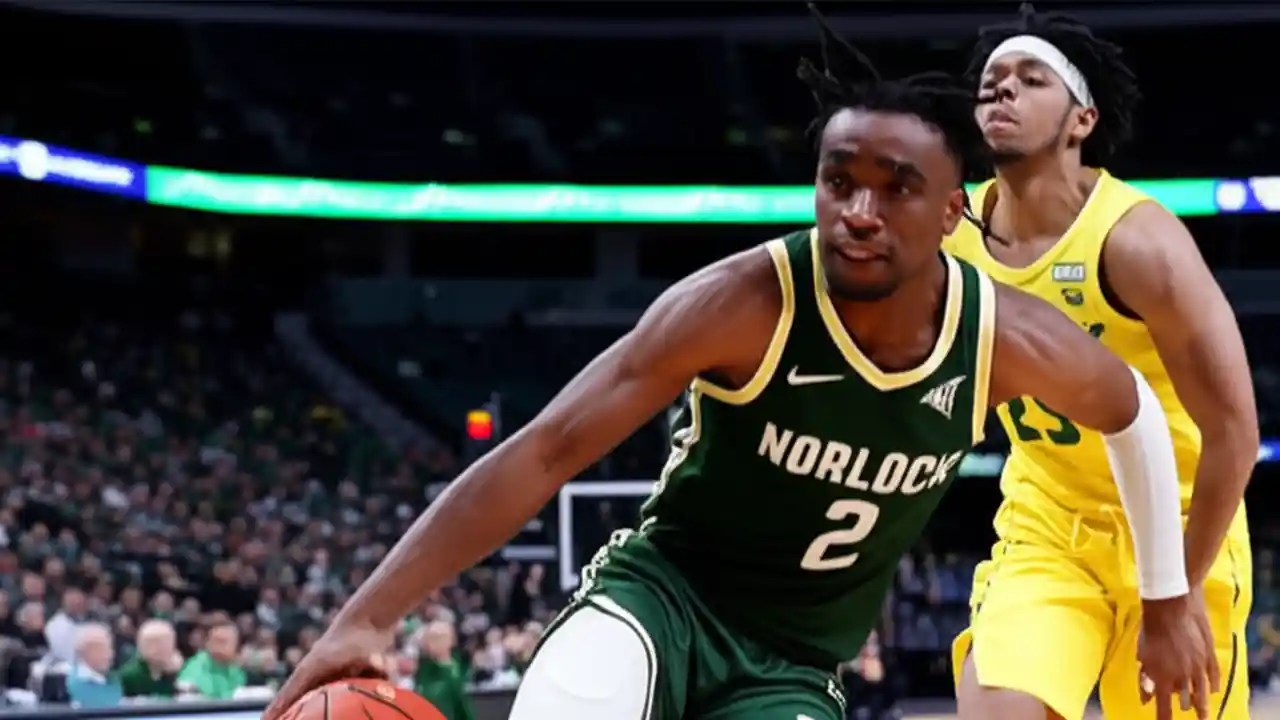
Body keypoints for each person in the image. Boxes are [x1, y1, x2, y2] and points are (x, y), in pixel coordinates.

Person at [264, 9, 1215, 720]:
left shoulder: (1002, 334)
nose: (858, 211)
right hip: (657, 602)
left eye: (896, 189)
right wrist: (369, 614)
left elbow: (1133, 413)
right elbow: (547, 451)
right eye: (839, 182)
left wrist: (1168, 598)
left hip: (795, 666)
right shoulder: (740, 303)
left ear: (953, 211)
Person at [943, 5, 1258, 720]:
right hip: (1048, 525)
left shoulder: (1138, 242)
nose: (1002, 91)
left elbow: (1235, 432)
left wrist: (1172, 596)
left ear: (1081, 119)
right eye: (991, 81)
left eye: (1030, 79)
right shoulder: (950, 240)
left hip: (1182, 531)